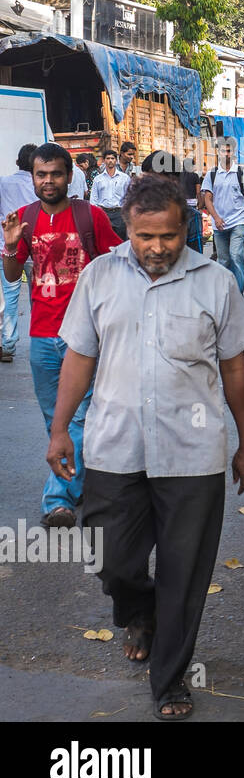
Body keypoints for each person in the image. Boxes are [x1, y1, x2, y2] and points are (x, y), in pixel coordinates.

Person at [47, 174, 244, 719]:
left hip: (192, 455)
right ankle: (137, 607)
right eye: (145, 236)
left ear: (185, 226)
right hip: (115, 446)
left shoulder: (216, 282)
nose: (157, 247)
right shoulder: (99, 276)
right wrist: (59, 430)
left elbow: (235, 369)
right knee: (110, 556)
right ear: (128, 228)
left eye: (168, 235)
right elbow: (78, 357)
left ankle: (170, 679)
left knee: (185, 573)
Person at [2, 142, 122, 527]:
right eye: (42, 174)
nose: (48, 180)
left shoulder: (92, 216)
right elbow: (10, 275)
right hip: (41, 334)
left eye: (55, 173)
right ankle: (76, 477)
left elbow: (117, 262)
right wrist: (9, 248)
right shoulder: (25, 217)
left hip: (83, 337)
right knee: (54, 418)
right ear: (33, 178)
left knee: (77, 418)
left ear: (70, 177)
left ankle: (58, 500)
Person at [201, 141, 244, 293]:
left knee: (236, 256)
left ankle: (238, 296)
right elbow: (207, 199)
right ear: (219, 153)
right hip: (219, 224)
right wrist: (216, 218)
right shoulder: (212, 174)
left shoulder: (242, 173)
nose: (226, 154)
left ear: (234, 153)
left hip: (239, 221)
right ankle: (226, 295)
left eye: (229, 151)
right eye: (223, 151)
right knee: (223, 260)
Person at [0, 143, 39, 362]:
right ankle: (40, 342)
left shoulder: (3, 183)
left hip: (9, 249)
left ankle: (8, 344)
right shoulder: (40, 184)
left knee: (10, 296)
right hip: (36, 250)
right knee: (38, 297)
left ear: (17, 162)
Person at [89, 149, 130, 238]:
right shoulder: (98, 179)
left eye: (112, 158)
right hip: (104, 213)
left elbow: (129, 197)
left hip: (119, 213)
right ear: (104, 160)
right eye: (108, 158)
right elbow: (93, 198)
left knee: (120, 241)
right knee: (104, 240)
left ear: (116, 160)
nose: (110, 160)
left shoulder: (124, 178)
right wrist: (97, 213)